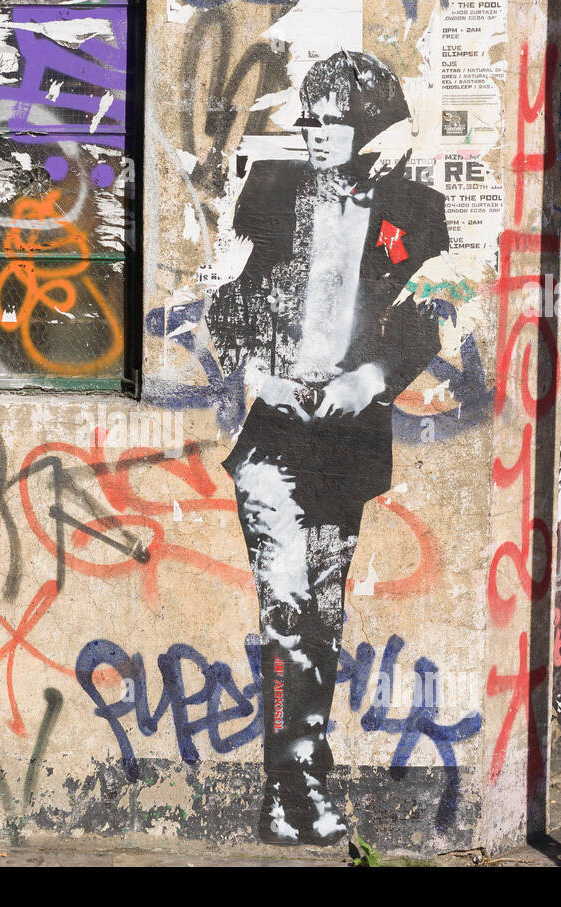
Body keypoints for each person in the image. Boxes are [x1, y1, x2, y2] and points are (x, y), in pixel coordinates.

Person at [204, 50, 450, 845]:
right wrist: (252, 372)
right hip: (274, 440)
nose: (311, 130)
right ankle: (286, 789)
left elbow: (438, 314)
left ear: (369, 125)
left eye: (330, 119)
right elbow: (225, 302)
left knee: (321, 617)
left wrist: (373, 375)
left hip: (346, 445)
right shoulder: (270, 192)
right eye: (306, 116)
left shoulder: (415, 211)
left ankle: (306, 772)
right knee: (285, 610)